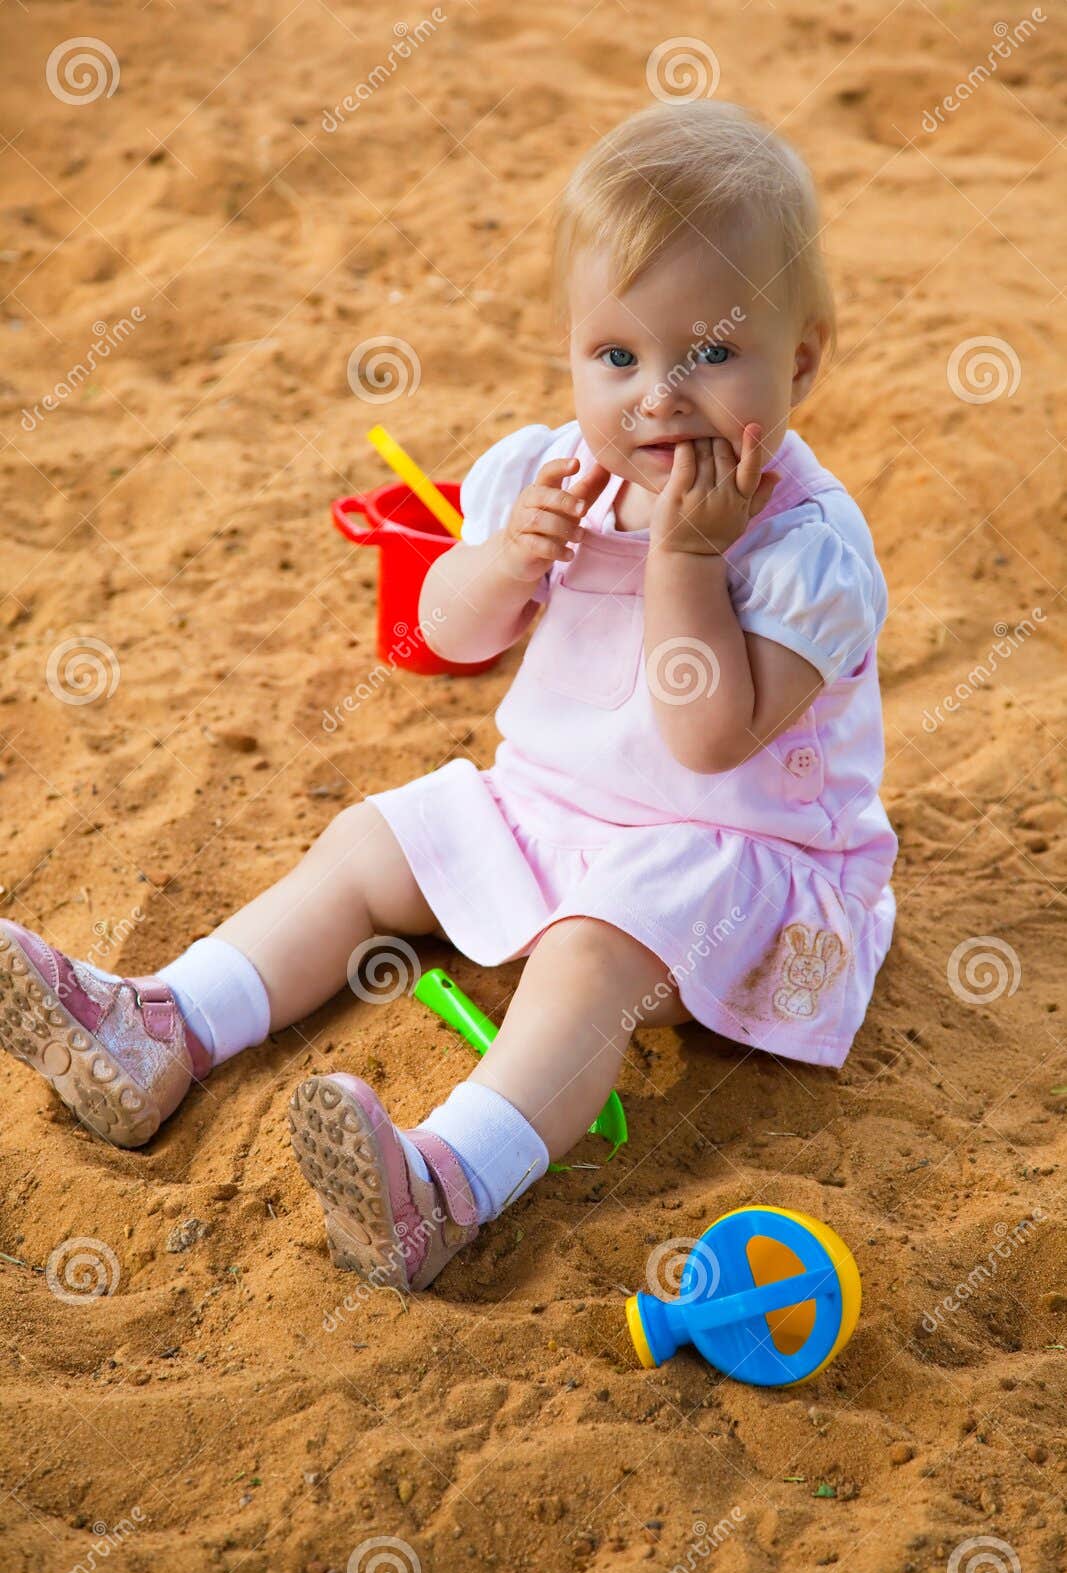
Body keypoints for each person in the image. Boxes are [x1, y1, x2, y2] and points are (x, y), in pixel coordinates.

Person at [0, 99, 897, 1295]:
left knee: (588, 948)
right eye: (616, 357)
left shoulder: (805, 548)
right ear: (573, 349)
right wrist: (503, 561)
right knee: (369, 842)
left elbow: (705, 734)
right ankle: (164, 1026)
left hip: (728, 864)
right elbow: (444, 638)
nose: (656, 399)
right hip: (557, 807)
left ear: (800, 360)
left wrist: (684, 560)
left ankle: (444, 1185)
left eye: (710, 355)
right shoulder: (551, 475)